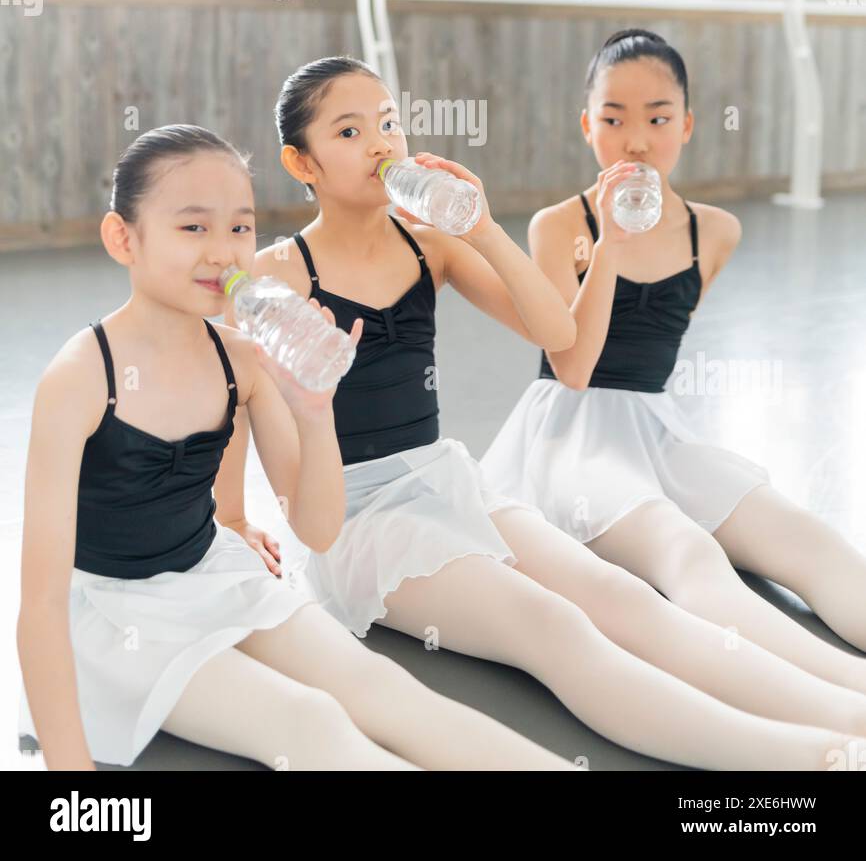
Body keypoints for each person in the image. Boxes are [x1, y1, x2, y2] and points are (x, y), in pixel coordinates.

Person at [215, 56, 866, 771]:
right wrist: (236, 517)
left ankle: (851, 706)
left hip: (447, 480)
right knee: (555, 628)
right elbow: (232, 400)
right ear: (298, 161)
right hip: (359, 522)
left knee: (621, 597)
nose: (381, 145)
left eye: (390, 124)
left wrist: (484, 227)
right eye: (349, 131)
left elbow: (558, 336)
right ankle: (815, 757)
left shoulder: (430, 247)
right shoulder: (274, 275)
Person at [16, 123, 573, 771]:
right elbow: (41, 605)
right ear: (123, 238)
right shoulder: (79, 376)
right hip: (118, 613)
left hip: (214, 576)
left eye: (240, 228)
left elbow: (319, 528)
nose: (222, 252)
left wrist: (314, 414)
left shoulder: (243, 360)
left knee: (384, 689)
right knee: (310, 723)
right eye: (193, 228)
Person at [480, 27, 866, 695]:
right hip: (570, 438)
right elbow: (573, 368)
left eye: (657, 118)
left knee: (805, 536)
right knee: (689, 553)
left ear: (685, 126)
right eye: (613, 119)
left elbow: (656, 354)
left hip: (659, 431)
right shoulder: (559, 225)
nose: (635, 140)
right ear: (586, 126)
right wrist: (609, 243)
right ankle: (844, 695)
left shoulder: (714, 230)